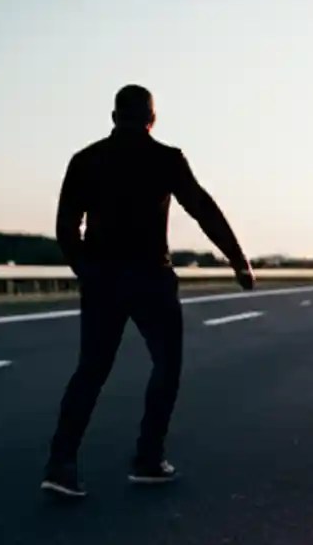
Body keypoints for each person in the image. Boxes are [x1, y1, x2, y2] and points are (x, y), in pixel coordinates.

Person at [41, 84, 255, 498]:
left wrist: (86, 270)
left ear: (113, 116)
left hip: (102, 279)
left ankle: (60, 464)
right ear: (152, 119)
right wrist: (237, 260)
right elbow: (202, 208)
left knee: (91, 370)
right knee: (166, 365)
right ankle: (148, 458)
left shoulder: (86, 160)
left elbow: (66, 228)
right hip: (151, 279)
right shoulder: (165, 159)